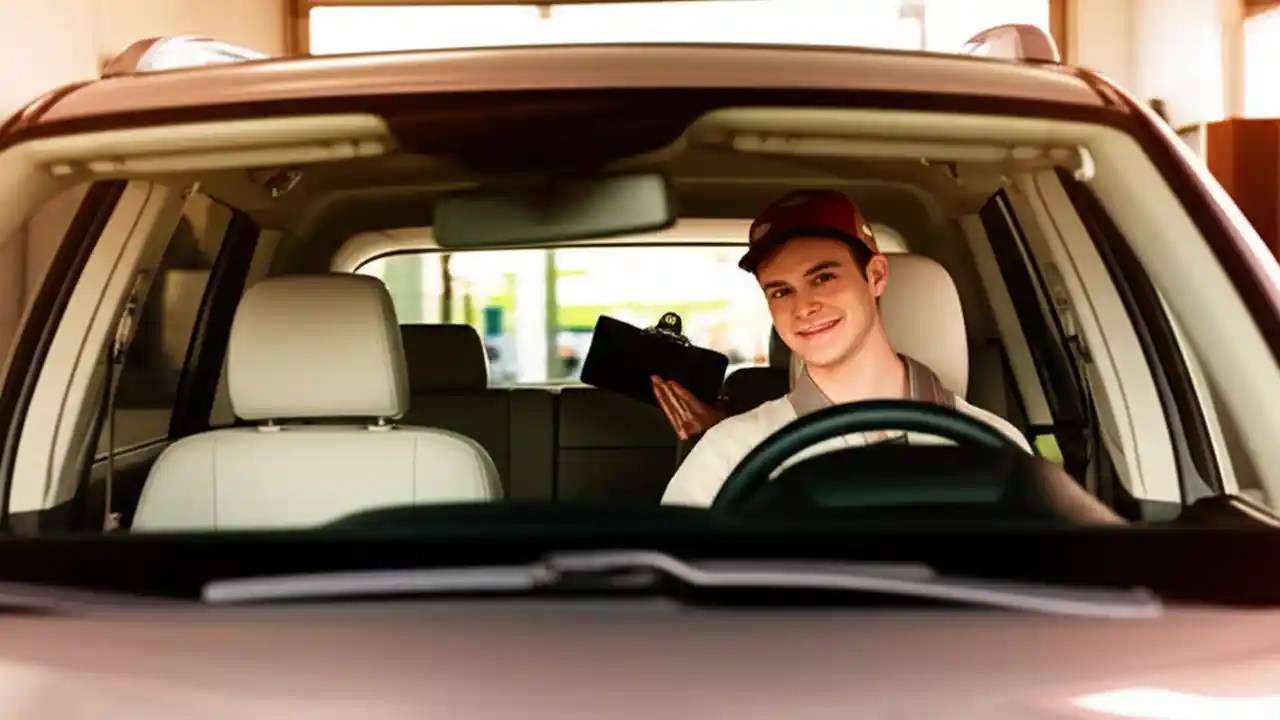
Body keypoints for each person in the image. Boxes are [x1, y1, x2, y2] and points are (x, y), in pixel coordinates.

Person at [656, 189, 1029, 508]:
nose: (803, 308)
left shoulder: (992, 444)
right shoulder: (731, 453)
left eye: (823, 277)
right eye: (781, 291)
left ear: (876, 276)